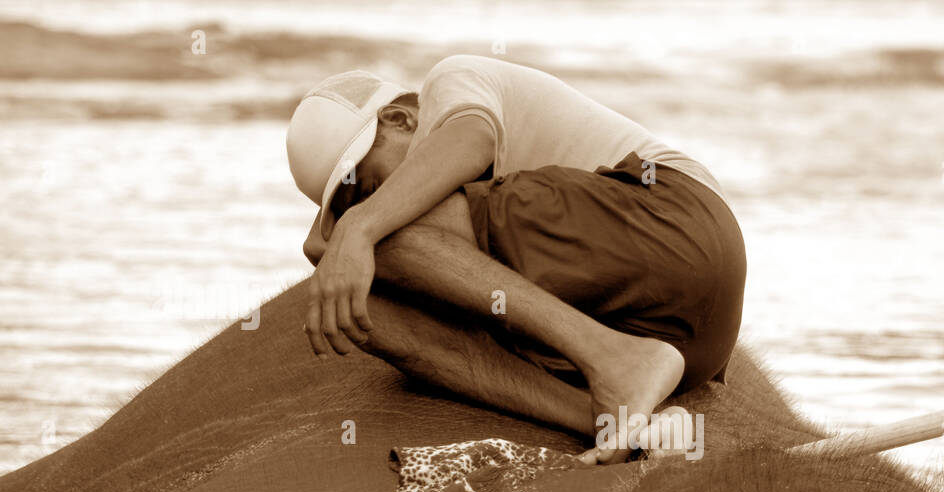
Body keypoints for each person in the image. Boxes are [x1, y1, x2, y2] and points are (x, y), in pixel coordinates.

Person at [285, 57, 746, 462]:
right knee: (366, 306)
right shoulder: (438, 224)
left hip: (674, 222)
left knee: (383, 237)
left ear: (400, 119)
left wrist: (358, 225)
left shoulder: (452, 79)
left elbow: (474, 140)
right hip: (690, 342)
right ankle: (604, 416)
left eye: (366, 186)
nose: (373, 202)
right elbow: (319, 249)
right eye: (355, 203)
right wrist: (344, 237)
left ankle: (617, 360)